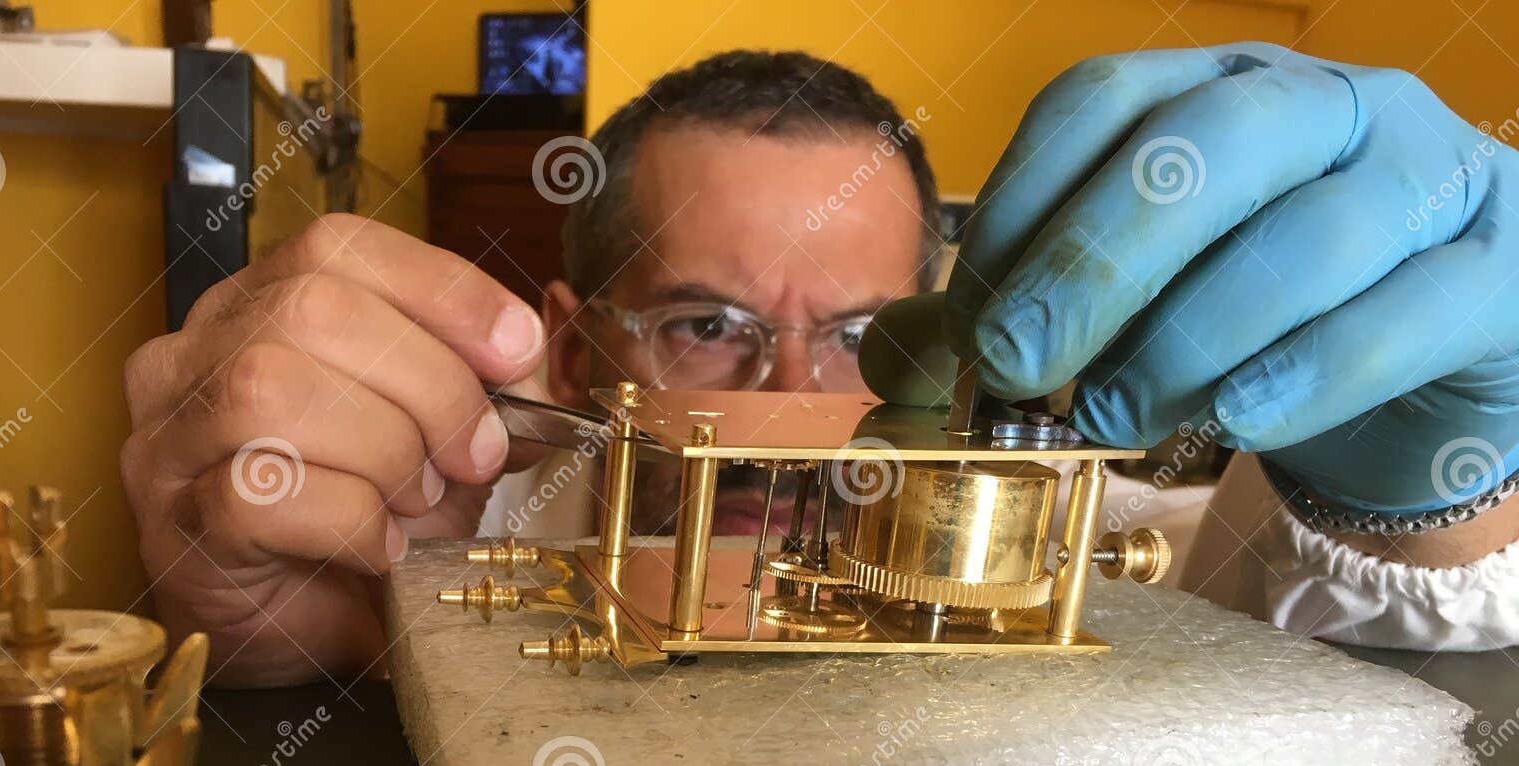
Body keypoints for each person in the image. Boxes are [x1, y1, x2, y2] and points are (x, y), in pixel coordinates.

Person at [121, 45, 1519, 687]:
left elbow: (1383, 612)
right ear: (568, 342)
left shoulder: (1064, 545)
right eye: (708, 325)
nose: (794, 405)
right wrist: (275, 643)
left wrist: (1426, 488)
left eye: (863, 340)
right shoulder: (423, 555)